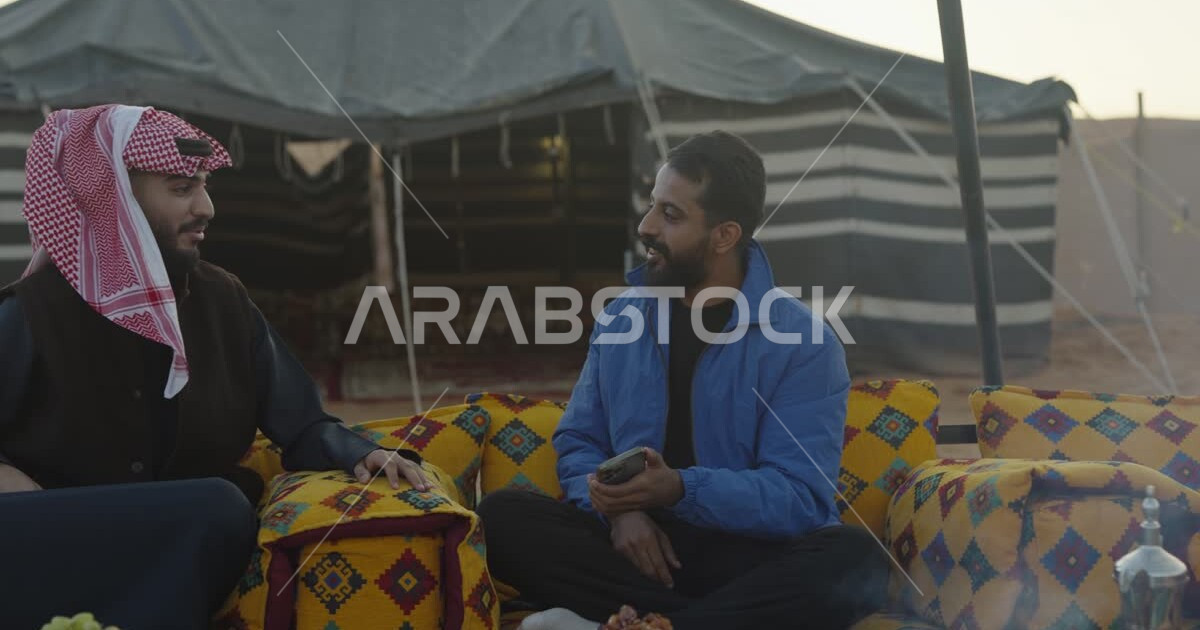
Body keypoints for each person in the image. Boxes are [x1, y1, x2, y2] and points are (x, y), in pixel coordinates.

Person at [0, 105, 429, 630]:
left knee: (218, 505)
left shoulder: (222, 301)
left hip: (194, 530)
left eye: (203, 186)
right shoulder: (30, 314)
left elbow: (303, 425)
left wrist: (361, 453)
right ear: (112, 197)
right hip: (64, 539)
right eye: (182, 189)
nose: (206, 208)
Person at [477, 131, 888, 629]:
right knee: (502, 518)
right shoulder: (621, 318)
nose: (646, 226)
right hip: (637, 553)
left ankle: (646, 624)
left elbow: (799, 498)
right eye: (652, 205)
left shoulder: (804, 342)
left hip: (747, 557)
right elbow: (580, 441)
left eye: (670, 215)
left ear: (724, 235)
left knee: (854, 559)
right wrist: (621, 513)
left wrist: (678, 489)